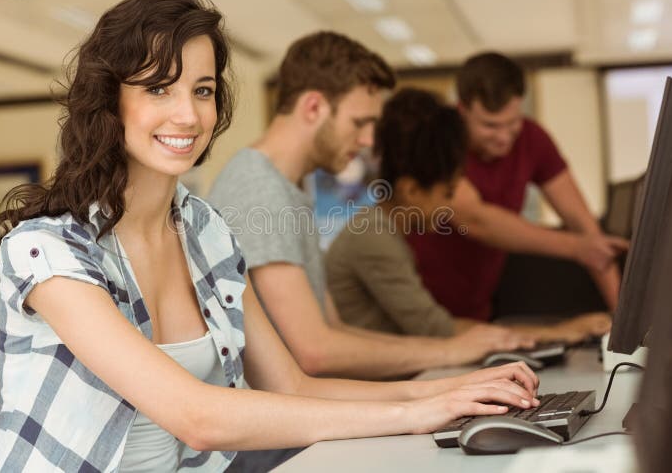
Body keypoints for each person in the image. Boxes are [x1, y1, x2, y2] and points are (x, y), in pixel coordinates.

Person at [0, 0, 540, 473]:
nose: (189, 116)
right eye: (158, 89)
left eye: (201, 90)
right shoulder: (47, 250)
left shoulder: (203, 232)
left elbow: (292, 385)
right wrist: (414, 416)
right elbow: (197, 417)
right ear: (109, 100)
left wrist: (451, 392)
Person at [209, 31, 536, 385]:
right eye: (360, 123)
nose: (368, 141)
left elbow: (334, 329)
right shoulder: (261, 191)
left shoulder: (287, 190)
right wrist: (450, 351)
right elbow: (315, 351)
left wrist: (458, 347)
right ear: (314, 107)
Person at [326, 88, 611, 343]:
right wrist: (558, 333)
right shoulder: (375, 239)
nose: (451, 207)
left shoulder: (385, 233)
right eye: (448, 192)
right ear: (411, 191)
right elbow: (438, 331)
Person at [406, 53, 628, 322]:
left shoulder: (532, 138)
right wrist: (577, 247)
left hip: (477, 311)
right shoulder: (439, 139)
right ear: (462, 110)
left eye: (513, 122)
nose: (503, 137)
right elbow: (475, 219)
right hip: (418, 306)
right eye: (490, 125)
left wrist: (623, 317)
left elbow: (586, 230)